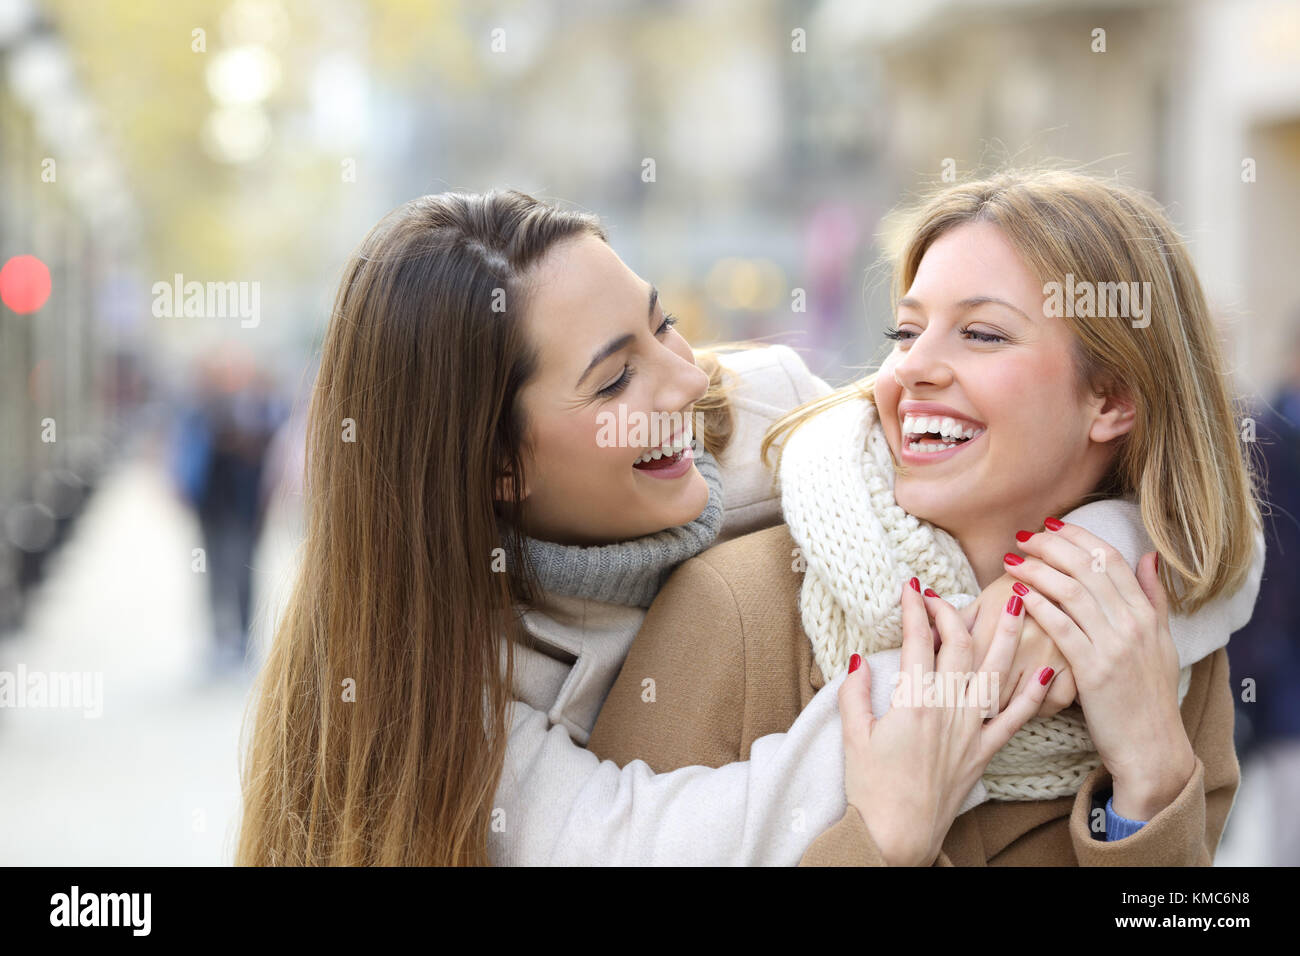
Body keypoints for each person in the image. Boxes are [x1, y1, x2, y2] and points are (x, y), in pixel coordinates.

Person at [235, 189, 1065, 866]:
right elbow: (657, 848)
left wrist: (1074, 585)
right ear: (499, 466)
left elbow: (1102, 491)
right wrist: (960, 669)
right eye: (614, 380)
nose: (684, 378)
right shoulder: (446, 694)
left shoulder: (771, 416)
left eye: (661, 323)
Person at [588, 169, 1265, 865]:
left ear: (1113, 399)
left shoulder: (1155, 639)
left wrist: (1150, 791)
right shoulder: (734, 608)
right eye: (905, 331)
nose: (912, 368)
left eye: (981, 334)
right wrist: (881, 843)